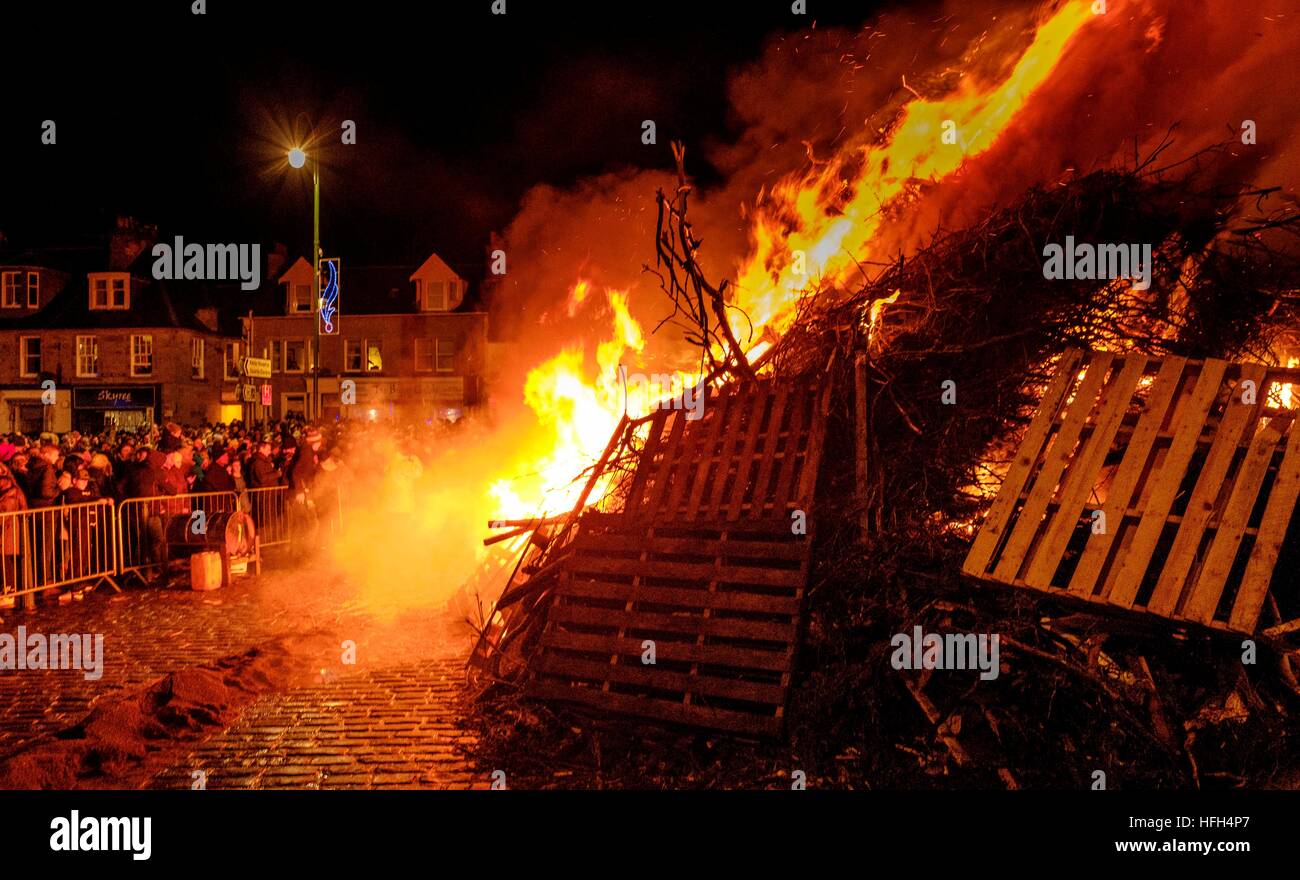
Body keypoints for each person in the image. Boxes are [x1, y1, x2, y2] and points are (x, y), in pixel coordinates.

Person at [0, 462, 27, 609]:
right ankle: (8, 590)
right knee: (5, 560)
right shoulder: (12, 490)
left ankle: (9, 591)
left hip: (7, 529)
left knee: (5, 561)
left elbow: (5, 511)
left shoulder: (10, 494)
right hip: (8, 529)